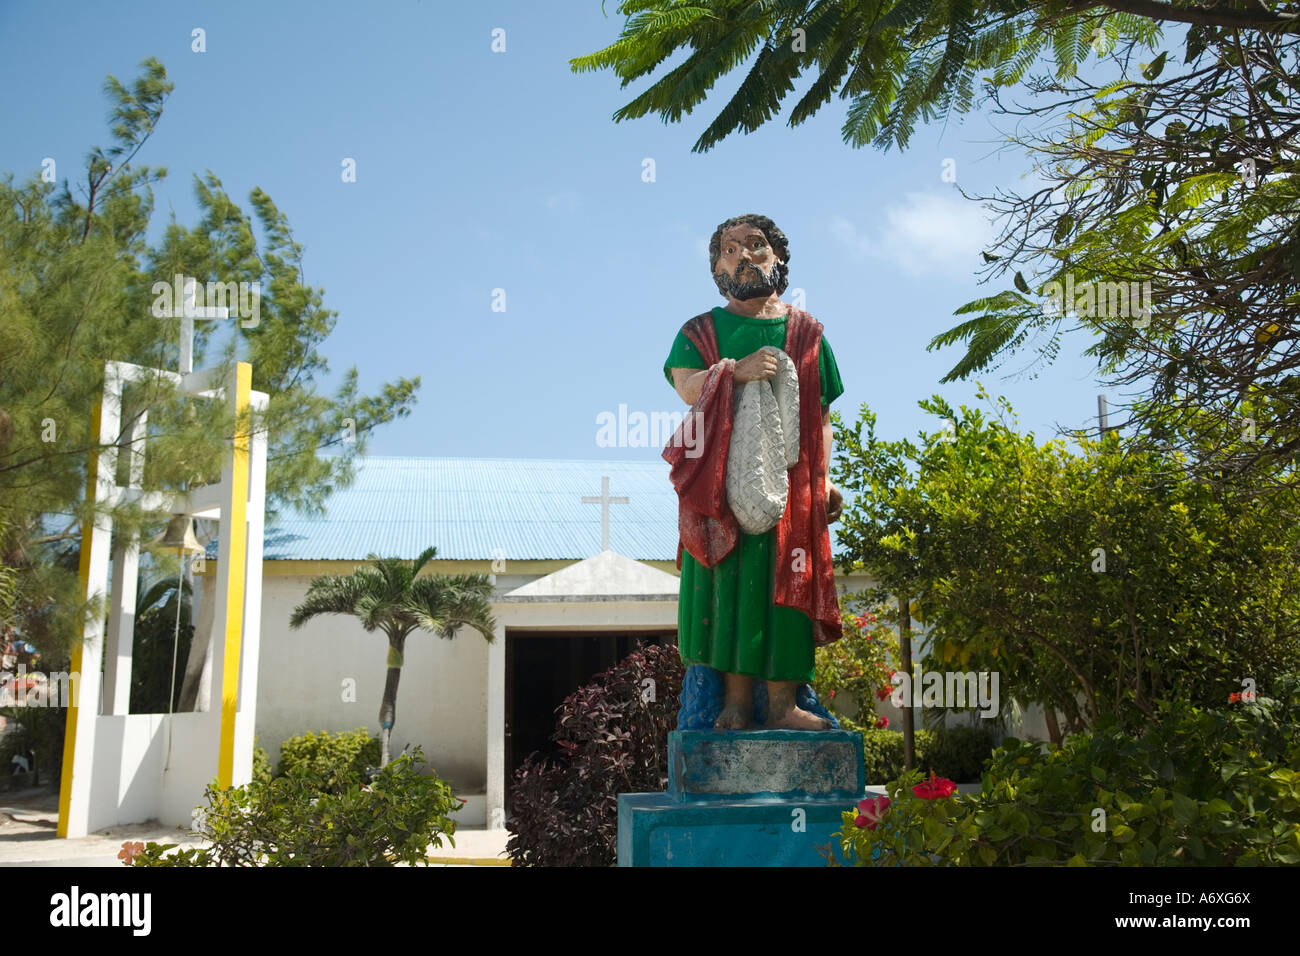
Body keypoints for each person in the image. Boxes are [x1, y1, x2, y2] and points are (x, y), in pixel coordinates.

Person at [663, 214, 844, 730]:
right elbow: (687, 385)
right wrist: (734, 371)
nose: (743, 256)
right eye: (729, 249)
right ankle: (735, 704)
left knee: (788, 585)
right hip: (721, 485)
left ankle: (783, 705)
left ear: (779, 259)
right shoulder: (700, 331)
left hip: (794, 484)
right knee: (731, 587)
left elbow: (822, 414)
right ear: (717, 266)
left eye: (756, 246)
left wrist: (825, 478)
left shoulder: (807, 334)